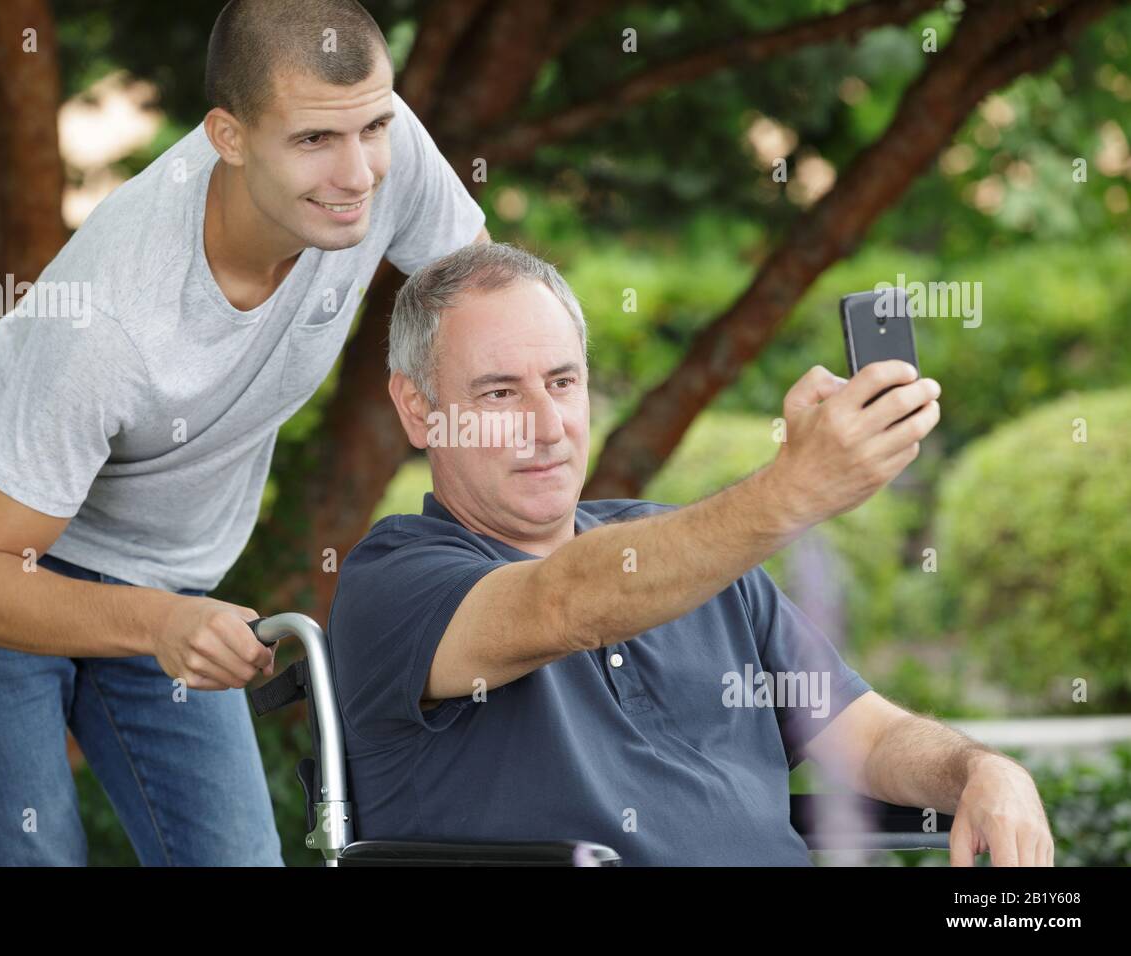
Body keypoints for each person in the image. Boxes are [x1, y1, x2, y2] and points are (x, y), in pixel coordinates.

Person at [0, 0, 488, 866]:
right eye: (315, 140)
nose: (359, 173)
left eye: (375, 128)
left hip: (164, 572)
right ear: (228, 136)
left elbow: (486, 318)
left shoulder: (380, 153)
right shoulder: (111, 318)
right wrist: (157, 624)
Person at [327, 241, 1053, 866]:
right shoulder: (393, 581)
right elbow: (563, 602)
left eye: (563, 382)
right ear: (420, 410)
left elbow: (867, 736)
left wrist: (980, 772)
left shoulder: (696, 558)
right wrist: (790, 490)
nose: (546, 426)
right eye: (498, 394)